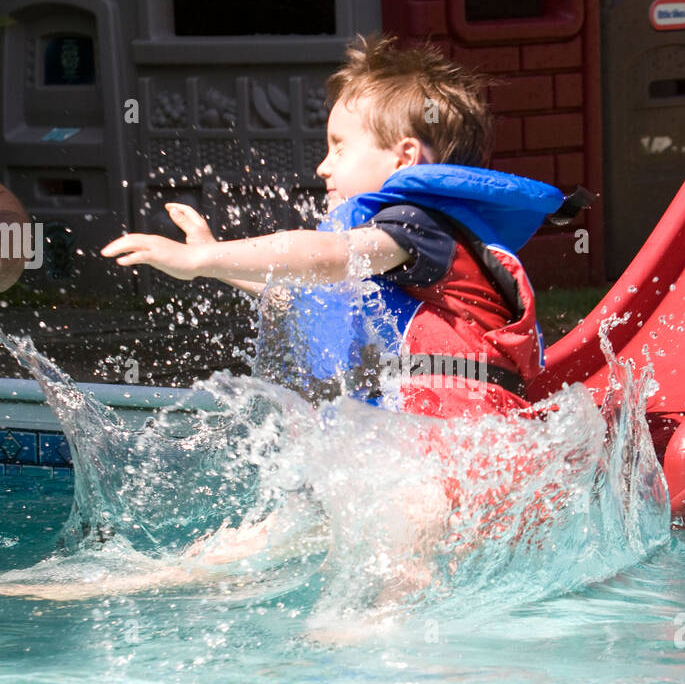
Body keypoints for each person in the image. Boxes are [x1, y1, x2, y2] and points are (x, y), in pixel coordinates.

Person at [100, 36, 591, 608]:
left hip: (463, 447)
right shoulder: (396, 250)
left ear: (405, 157)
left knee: (401, 549)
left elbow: (327, 258)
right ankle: (160, 577)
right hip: (422, 445)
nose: (322, 165)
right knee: (289, 519)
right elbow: (299, 291)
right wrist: (215, 264)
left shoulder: (418, 227)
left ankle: (386, 638)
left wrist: (203, 258)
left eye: (338, 146)